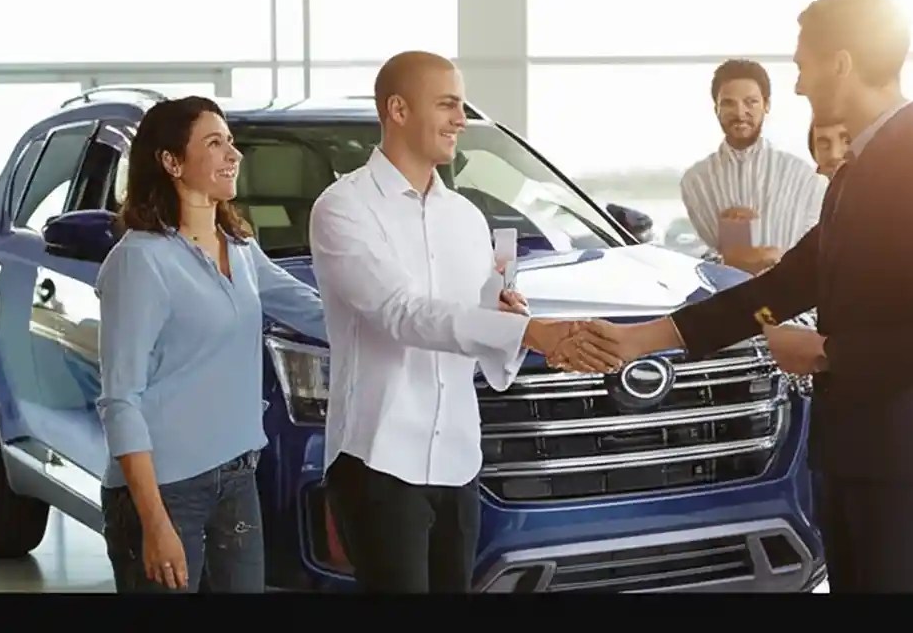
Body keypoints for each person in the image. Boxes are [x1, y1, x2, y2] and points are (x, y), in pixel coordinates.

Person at [555, 0, 913, 593]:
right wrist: (645, 340)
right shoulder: (857, 175)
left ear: (840, 63)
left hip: (903, 460)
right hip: (851, 452)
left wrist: (825, 352)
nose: (799, 86)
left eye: (802, 66)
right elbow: (780, 290)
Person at [307, 51, 612, 593]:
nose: (461, 120)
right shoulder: (343, 208)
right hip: (379, 461)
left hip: (458, 461)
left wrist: (511, 321)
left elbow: (481, 332)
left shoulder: (467, 219)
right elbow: (400, 314)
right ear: (398, 109)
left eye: (462, 106)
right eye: (448, 104)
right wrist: (526, 333)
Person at [94, 96, 327, 593]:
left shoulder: (239, 249)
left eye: (232, 143)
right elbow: (120, 399)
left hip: (237, 479)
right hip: (167, 492)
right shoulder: (139, 261)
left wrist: (462, 315)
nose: (233, 155)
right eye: (215, 143)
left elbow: (320, 315)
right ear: (171, 162)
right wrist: (154, 523)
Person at [679, 59, 827, 274]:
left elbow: (812, 254)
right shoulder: (695, 182)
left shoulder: (804, 178)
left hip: (789, 298)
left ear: (767, 104)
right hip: (724, 298)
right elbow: (705, 253)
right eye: (729, 103)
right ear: (716, 109)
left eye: (751, 102)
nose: (740, 113)